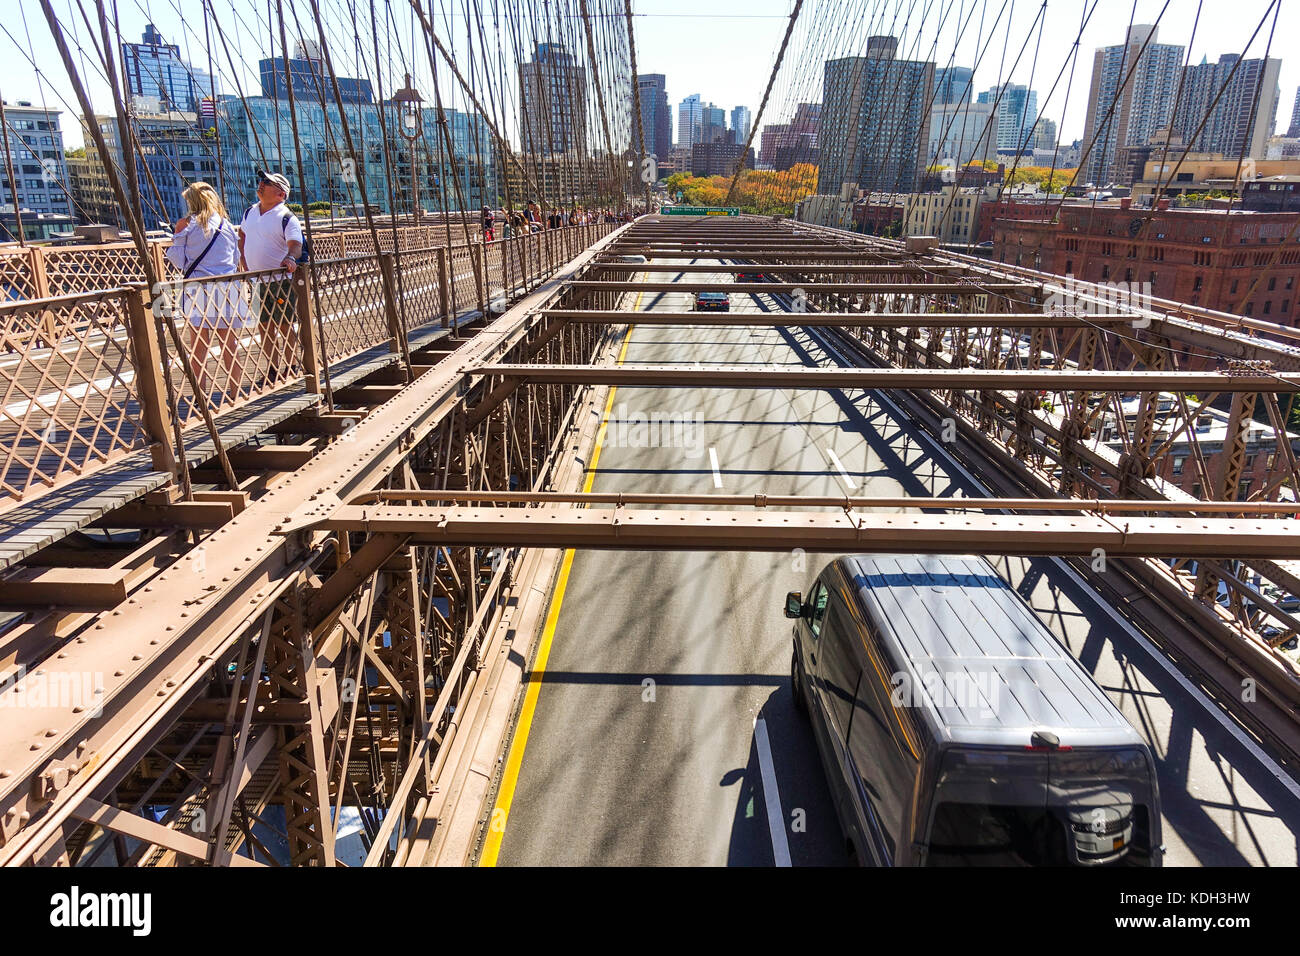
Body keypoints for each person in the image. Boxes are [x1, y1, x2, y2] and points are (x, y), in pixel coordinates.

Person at [164, 182, 246, 401]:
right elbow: (235, 259)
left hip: (198, 289)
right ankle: (236, 393)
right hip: (227, 288)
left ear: (192, 201)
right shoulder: (227, 225)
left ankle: (201, 397)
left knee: (199, 346)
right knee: (230, 343)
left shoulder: (185, 224)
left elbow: (178, 260)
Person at [238, 168, 304, 386]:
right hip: (257, 282)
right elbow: (243, 235)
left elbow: (295, 244)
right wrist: (244, 263)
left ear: (281, 194)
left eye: (267, 182)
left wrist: (291, 259)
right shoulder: (250, 212)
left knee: (285, 325)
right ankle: (274, 370)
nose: (261, 183)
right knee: (264, 327)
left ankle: (292, 365)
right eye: (262, 180)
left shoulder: (286, 217)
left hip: (280, 282)